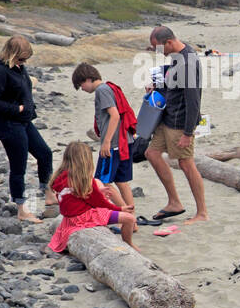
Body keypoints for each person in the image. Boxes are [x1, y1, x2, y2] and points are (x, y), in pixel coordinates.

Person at [144, 25, 208, 223]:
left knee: (186, 164)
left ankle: (202, 213)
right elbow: (173, 80)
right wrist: (157, 84)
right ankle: (174, 202)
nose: (157, 52)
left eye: (158, 48)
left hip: (180, 123)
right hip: (166, 118)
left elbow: (194, 99)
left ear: (169, 43)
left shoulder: (188, 62)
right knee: (152, 154)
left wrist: (189, 132)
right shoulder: (177, 55)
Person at [0, 36, 51, 223]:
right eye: (21, 59)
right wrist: (16, 109)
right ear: (12, 55)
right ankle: (21, 210)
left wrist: (28, 108)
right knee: (18, 166)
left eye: (26, 59)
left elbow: (24, 90)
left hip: (24, 121)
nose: (24, 62)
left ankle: (48, 192)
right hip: (8, 124)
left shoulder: (20, 67)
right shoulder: (1, 72)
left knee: (45, 153)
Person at [45, 141, 137, 251]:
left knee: (97, 182)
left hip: (69, 218)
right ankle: (128, 244)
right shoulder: (85, 181)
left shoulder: (60, 177)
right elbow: (100, 203)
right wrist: (120, 208)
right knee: (129, 219)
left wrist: (99, 190)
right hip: (84, 217)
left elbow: (75, 197)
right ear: (85, 161)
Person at [72, 63, 136, 214]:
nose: (82, 88)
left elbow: (115, 115)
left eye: (81, 84)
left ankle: (125, 215)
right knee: (121, 181)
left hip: (113, 144)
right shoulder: (108, 88)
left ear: (88, 79)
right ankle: (132, 219)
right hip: (125, 141)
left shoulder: (102, 91)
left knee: (102, 182)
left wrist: (106, 142)